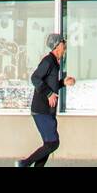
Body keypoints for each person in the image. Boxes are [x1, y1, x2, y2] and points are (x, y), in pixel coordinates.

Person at [15, 33, 75, 167]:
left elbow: (50, 84)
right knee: (52, 143)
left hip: (47, 110)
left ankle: (26, 164)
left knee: (49, 144)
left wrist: (63, 83)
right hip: (41, 109)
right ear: (57, 46)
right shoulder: (48, 61)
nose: (65, 49)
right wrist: (49, 94)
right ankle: (24, 163)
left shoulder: (54, 63)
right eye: (63, 45)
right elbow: (35, 78)